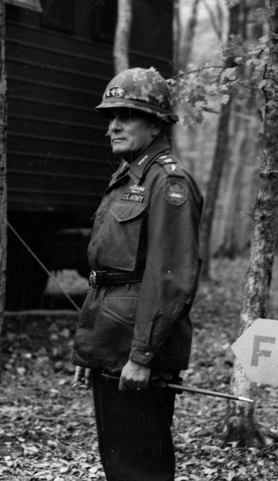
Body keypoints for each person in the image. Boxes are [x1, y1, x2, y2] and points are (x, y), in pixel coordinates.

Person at [71, 67, 203, 481]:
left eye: (126, 116)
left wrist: (142, 355)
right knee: (121, 464)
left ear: (155, 124)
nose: (112, 126)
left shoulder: (168, 183)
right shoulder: (128, 178)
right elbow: (108, 274)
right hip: (113, 342)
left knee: (141, 468)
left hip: (136, 349)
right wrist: (90, 351)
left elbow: (170, 277)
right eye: (110, 117)